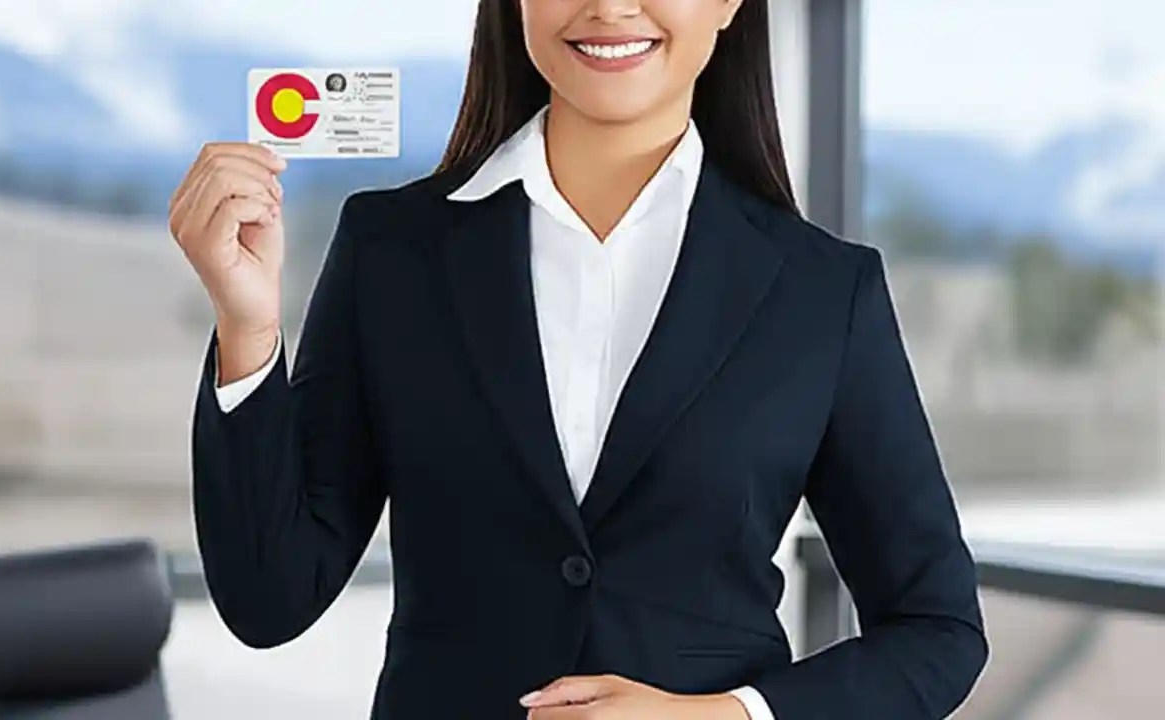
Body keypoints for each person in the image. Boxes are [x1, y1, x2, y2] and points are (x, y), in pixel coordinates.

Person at [167, 0, 989, 718]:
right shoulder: (394, 254)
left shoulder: (822, 292)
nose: (609, 5)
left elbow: (938, 630)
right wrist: (247, 330)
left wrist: (726, 718)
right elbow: (269, 597)